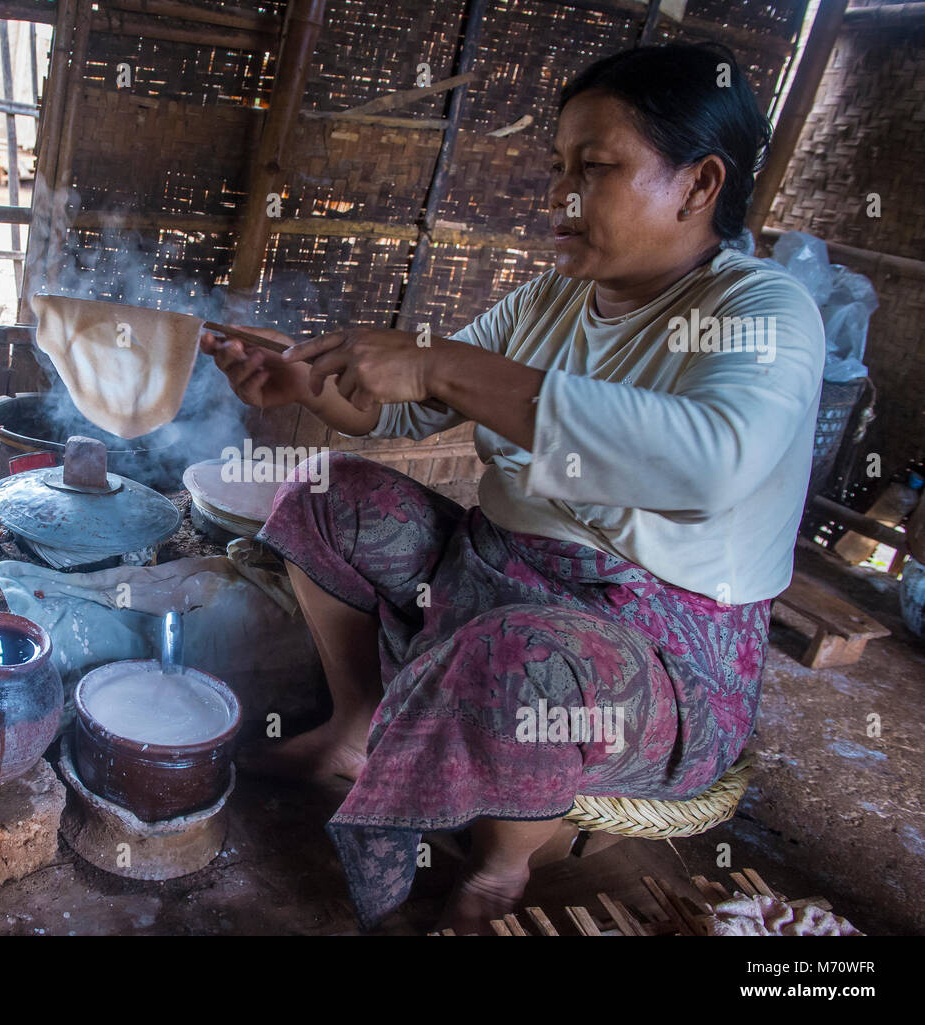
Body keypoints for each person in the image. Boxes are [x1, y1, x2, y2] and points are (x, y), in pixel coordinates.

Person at [200, 42, 824, 933]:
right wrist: (308, 381)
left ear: (699, 186)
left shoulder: (761, 312)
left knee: (521, 658)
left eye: (597, 168)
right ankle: (355, 725)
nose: (562, 197)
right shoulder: (550, 302)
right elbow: (402, 412)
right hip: (487, 579)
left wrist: (444, 366)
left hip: (656, 660)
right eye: (560, 168)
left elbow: (708, 466)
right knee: (327, 490)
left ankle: (501, 862)